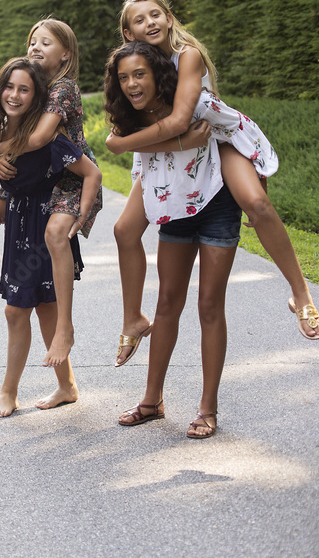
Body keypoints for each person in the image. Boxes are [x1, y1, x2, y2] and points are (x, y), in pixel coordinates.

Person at [107, 0, 316, 367]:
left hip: (219, 136)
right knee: (124, 230)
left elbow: (177, 122)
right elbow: (147, 119)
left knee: (255, 203)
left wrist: (120, 146)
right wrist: (128, 139)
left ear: (170, 19)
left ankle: (300, 293)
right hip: (174, 147)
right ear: (127, 32)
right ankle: (133, 318)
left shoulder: (188, 54)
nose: (150, 22)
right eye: (140, 20)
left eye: (156, 14)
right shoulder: (137, 66)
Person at [107, 41, 257, 437]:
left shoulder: (190, 103)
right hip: (175, 207)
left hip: (217, 205)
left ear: (158, 74)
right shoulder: (132, 119)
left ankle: (208, 409)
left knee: (209, 303)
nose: (132, 84)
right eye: (124, 78)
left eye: (140, 74)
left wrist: (258, 186)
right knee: (168, 302)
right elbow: (142, 167)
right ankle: (151, 400)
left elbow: (237, 132)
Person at [0, 20, 101, 368]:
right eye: (32, 41)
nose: (35, 47)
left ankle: (65, 325)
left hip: (71, 179)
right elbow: (25, 139)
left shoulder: (63, 87)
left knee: (54, 233)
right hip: (39, 174)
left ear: (66, 53)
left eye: (46, 43)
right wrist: (0, 158)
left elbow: (38, 140)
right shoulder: (35, 85)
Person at [0, 58, 101, 418]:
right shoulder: (3, 134)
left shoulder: (50, 139)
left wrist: (81, 215)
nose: (14, 95)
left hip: (47, 226)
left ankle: (8, 392)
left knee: (20, 310)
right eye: (10, 87)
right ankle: (67, 386)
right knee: (36, 310)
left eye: (25, 89)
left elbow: (90, 172)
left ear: (37, 98)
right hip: (19, 225)